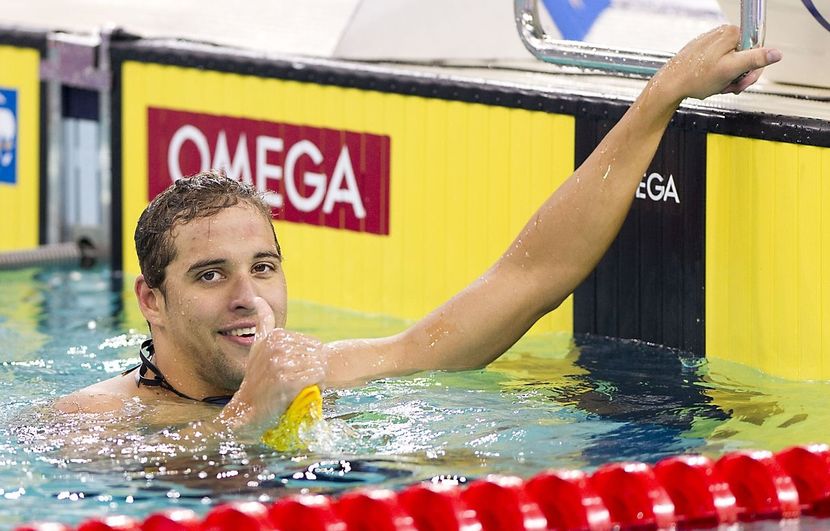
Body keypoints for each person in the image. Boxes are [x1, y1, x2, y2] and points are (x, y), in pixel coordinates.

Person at [55, 26, 781, 442]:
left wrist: (660, 97)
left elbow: (526, 279)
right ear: (151, 299)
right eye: (211, 275)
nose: (250, 297)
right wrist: (248, 415)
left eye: (264, 267)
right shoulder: (92, 420)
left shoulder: (330, 368)